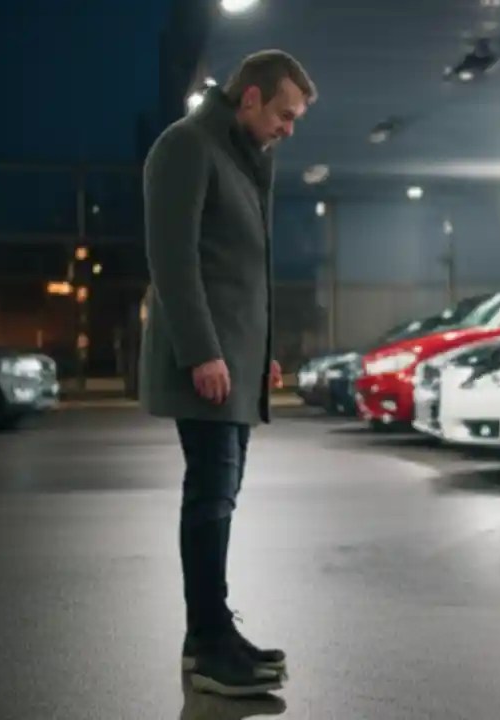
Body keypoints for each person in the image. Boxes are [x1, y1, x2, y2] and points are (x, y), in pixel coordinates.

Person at [140, 49, 317, 697]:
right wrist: (203, 352)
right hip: (204, 363)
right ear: (250, 97)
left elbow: (235, 272)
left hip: (229, 361)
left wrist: (254, 351)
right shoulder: (186, 147)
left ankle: (211, 634)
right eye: (284, 114)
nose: (287, 129)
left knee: (221, 493)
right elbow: (174, 260)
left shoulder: (243, 158)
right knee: (211, 494)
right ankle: (210, 644)